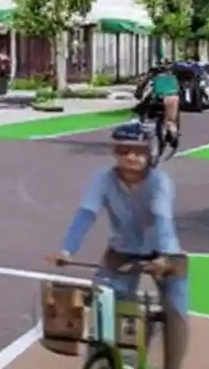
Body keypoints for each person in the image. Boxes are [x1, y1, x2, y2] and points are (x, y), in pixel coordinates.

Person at [45, 122, 189, 369]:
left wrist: (165, 257)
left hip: (164, 254)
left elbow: (162, 219)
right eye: (123, 151)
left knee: (175, 311)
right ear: (114, 152)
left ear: (150, 152)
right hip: (122, 252)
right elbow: (86, 214)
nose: (131, 157)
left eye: (138, 151)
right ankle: (100, 358)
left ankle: (173, 366)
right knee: (103, 304)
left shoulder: (160, 182)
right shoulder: (102, 179)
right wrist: (67, 250)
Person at [137, 58, 181, 142]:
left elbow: (142, 88)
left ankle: (145, 131)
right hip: (171, 99)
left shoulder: (153, 76)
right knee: (171, 121)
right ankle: (172, 132)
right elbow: (178, 90)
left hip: (157, 99)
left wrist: (139, 95)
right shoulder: (173, 77)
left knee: (144, 114)